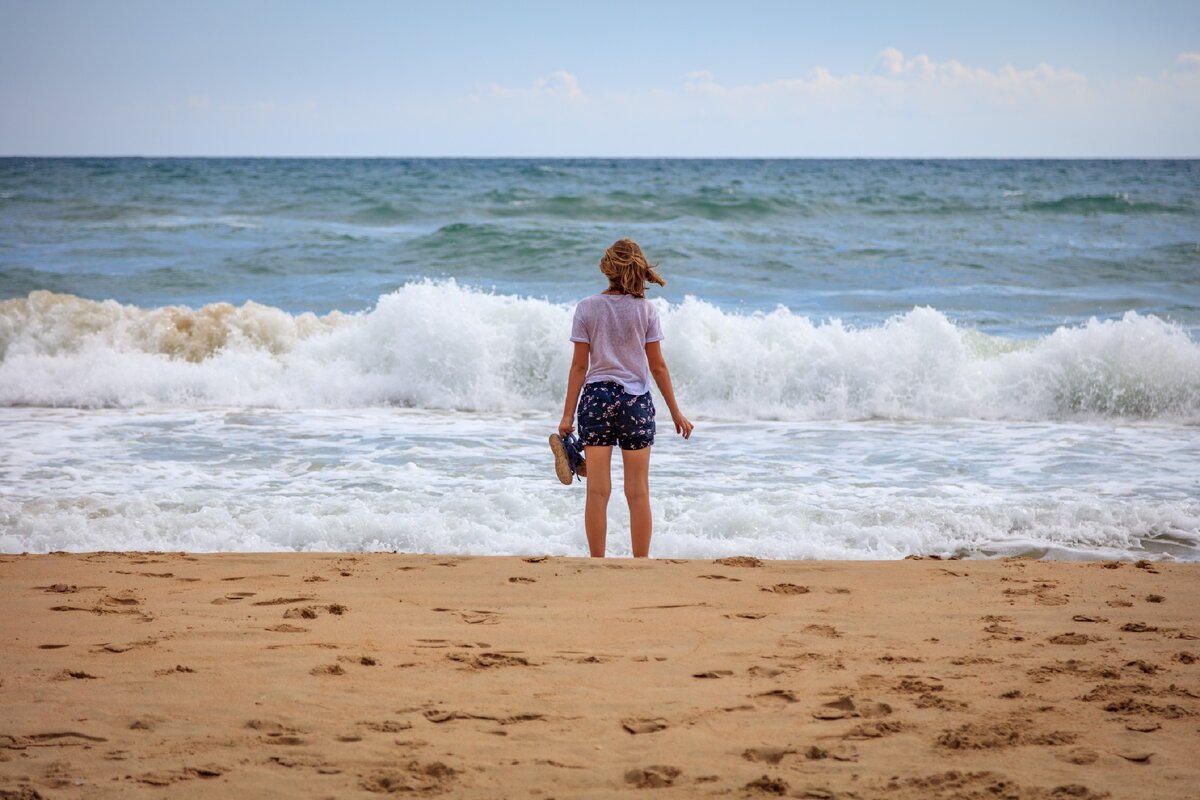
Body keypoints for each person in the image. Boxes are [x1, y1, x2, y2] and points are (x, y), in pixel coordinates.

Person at [551, 239, 693, 558]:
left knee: (598, 490)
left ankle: (597, 563)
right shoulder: (646, 310)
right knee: (638, 492)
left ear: (608, 269)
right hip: (636, 403)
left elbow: (578, 366)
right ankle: (640, 562)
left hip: (597, 399)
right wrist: (675, 412)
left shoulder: (587, 307)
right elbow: (657, 365)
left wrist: (566, 416)